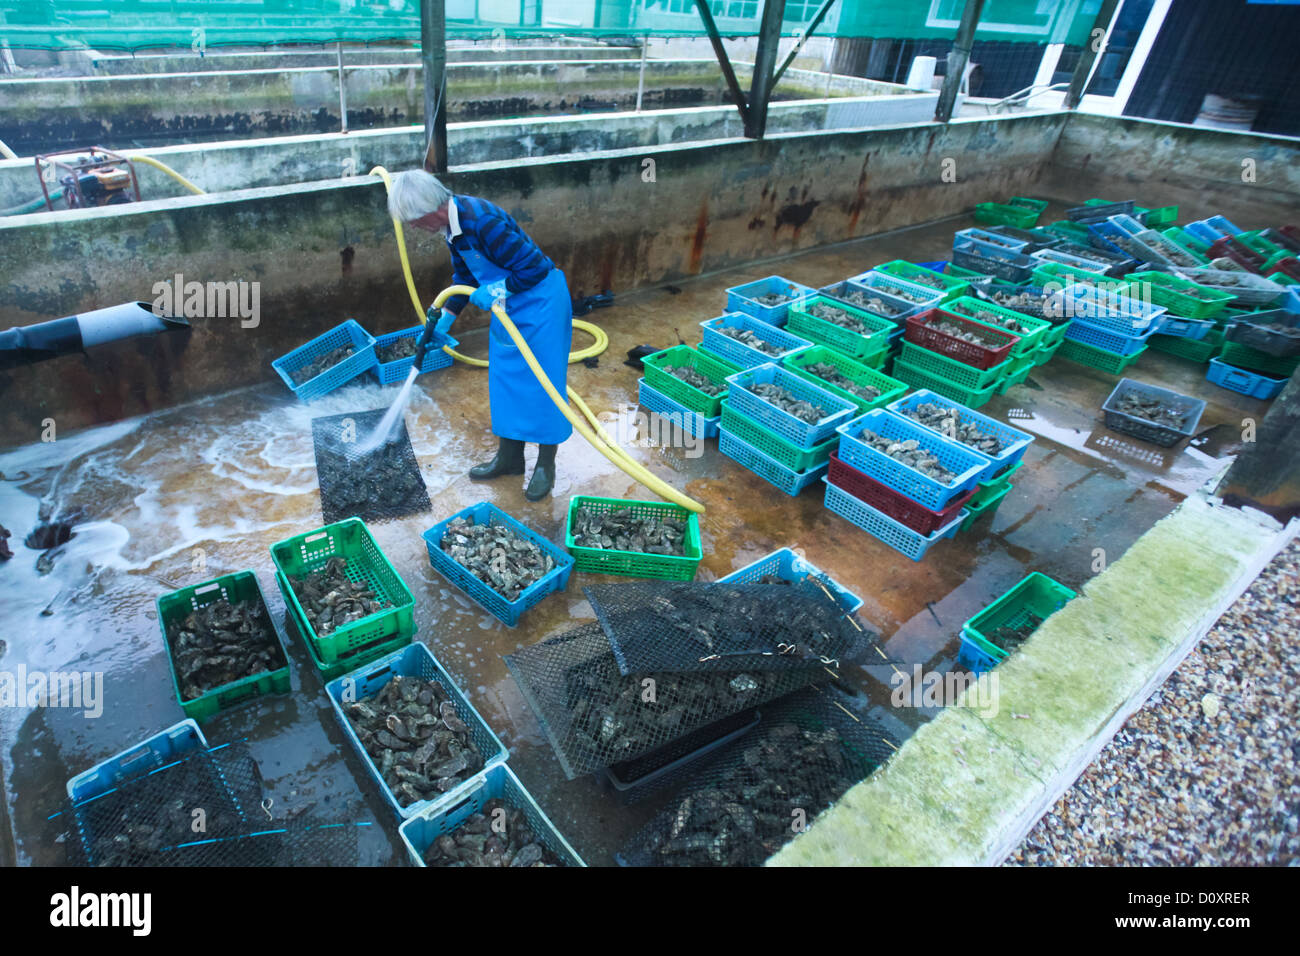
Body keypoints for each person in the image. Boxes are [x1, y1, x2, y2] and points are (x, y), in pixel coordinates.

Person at [387, 169, 573, 501]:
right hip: (507, 306)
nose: (413, 228)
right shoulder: (451, 229)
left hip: (540, 302)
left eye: (414, 220)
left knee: (544, 386)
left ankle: (546, 465)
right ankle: (510, 457)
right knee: (506, 383)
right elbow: (465, 275)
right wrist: (445, 319)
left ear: (433, 207)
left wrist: (500, 287)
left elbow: (534, 268)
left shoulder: (482, 220)